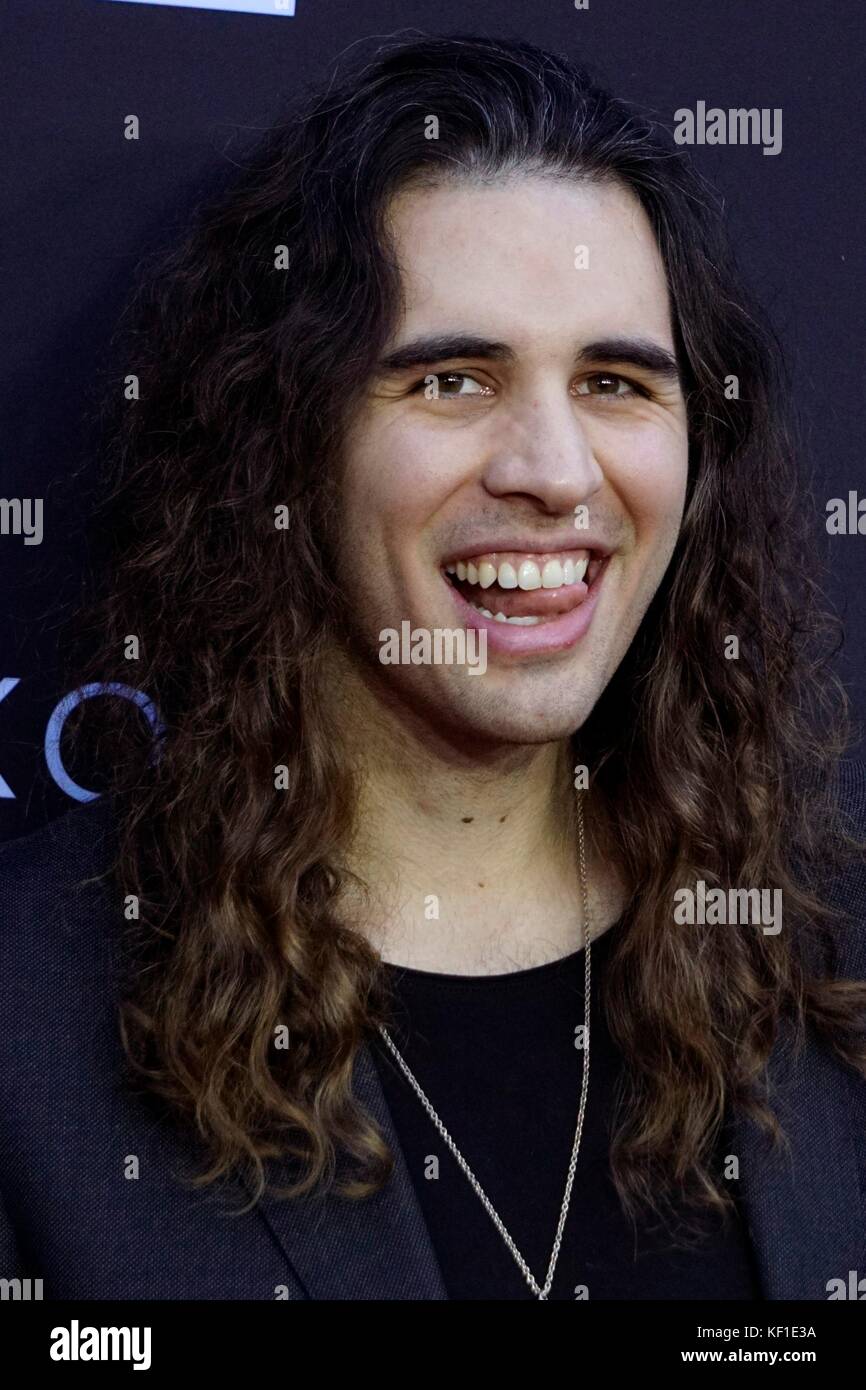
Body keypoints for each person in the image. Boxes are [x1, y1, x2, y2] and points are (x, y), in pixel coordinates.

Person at [1, 32, 864, 1303]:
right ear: (285, 444)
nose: (555, 472)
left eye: (617, 381)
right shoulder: (30, 1035)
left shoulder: (820, 974)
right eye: (451, 379)